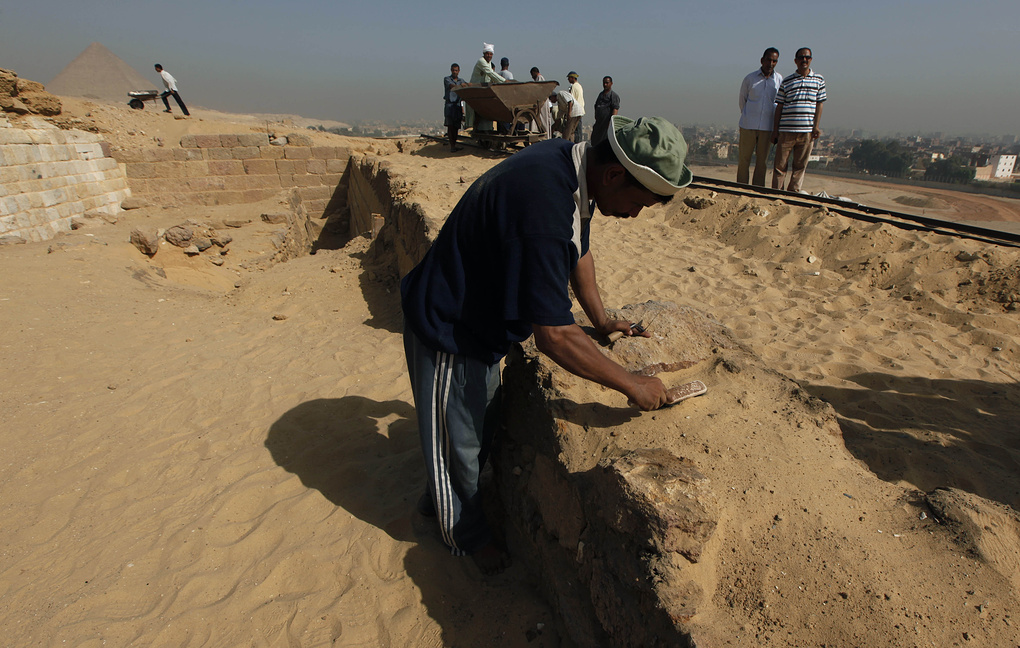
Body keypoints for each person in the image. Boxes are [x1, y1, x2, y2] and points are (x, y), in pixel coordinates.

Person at [401, 115, 692, 574]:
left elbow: (579, 249)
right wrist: (631, 384)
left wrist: (601, 319)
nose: (635, 214)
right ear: (615, 174)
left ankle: (447, 494)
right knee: (456, 440)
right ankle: (463, 536)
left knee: (476, 426)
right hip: (449, 326)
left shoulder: (573, 167)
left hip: (482, 322)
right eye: (638, 203)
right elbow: (553, 334)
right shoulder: (543, 201)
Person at [771, 47, 826, 192]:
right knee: (780, 166)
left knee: (800, 167)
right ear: (796, 61)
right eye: (801, 58)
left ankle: (793, 195)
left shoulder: (819, 80)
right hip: (786, 130)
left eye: (807, 57)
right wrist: (775, 130)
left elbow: (819, 104)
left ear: (811, 59)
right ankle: (776, 193)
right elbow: (779, 106)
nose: (804, 60)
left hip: (806, 131)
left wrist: (816, 126)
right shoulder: (787, 81)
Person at [737, 48, 782, 186]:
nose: (771, 63)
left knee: (762, 161)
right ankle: (740, 188)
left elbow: (779, 102)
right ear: (762, 60)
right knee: (744, 159)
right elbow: (742, 101)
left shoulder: (779, 79)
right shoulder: (750, 78)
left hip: (767, 127)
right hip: (748, 125)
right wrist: (749, 116)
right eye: (769, 60)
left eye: (774, 61)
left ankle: (758, 190)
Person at [465, 43, 505, 132]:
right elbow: (490, 73)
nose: (489, 56)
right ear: (484, 54)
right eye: (487, 53)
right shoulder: (481, 61)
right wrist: (504, 81)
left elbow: (490, 76)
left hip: (483, 91)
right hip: (476, 90)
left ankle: (486, 130)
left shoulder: (489, 64)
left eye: (491, 54)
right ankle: (476, 129)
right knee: (478, 111)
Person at [444, 63, 467, 152]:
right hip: (450, 105)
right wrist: (461, 86)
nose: (455, 72)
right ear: (451, 70)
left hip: (457, 105)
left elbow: (466, 85)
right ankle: (452, 146)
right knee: (450, 126)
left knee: (456, 126)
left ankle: (454, 145)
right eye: (453, 70)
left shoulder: (461, 80)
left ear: (459, 71)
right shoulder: (447, 79)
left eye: (456, 70)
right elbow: (451, 86)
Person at [591, 76, 621, 145]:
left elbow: (615, 109)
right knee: (595, 141)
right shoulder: (601, 95)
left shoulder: (613, 95)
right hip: (599, 123)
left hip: (606, 124)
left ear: (611, 83)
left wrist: (611, 122)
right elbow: (596, 105)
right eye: (604, 83)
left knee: (604, 142)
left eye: (607, 83)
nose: (605, 85)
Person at [567, 71, 585, 141]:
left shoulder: (574, 87)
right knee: (579, 130)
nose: (568, 80)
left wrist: (569, 113)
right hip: (580, 111)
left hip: (576, 112)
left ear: (572, 78)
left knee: (576, 130)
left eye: (569, 78)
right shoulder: (579, 86)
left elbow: (571, 100)